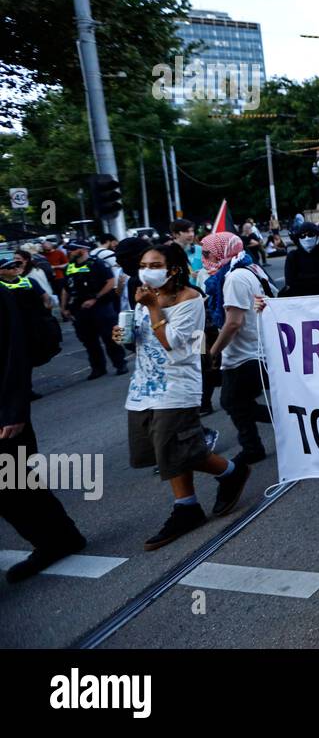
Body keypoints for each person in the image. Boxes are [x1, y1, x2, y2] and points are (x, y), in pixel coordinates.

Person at [113, 243, 250, 549]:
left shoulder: (191, 300)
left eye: (154, 265)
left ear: (173, 269)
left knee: (178, 448)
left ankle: (230, 472)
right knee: (167, 452)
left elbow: (173, 343)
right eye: (143, 265)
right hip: (144, 388)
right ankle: (187, 505)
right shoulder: (143, 297)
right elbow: (141, 341)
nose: (146, 271)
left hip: (177, 387)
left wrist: (152, 307)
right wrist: (124, 337)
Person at [0, 282, 87, 582]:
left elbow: (13, 352)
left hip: (4, 414)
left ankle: (57, 540)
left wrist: (13, 410)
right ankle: (59, 537)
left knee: (13, 484)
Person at [203, 232, 274, 466]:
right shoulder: (250, 268)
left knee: (232, 401)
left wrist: (212, 351)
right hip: (258, 349)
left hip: (245, 354)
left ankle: (260, 441)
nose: (204, 259)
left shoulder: (234, 279)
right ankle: (256, 442)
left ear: (221, 252)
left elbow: (233, 322)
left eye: (207, 253)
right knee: (237, 402)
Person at [60, 238, 127, 379]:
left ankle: (120, 363)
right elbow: (65, 289)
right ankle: (98, 368)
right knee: (89, 341)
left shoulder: (97, 263)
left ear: (83, 249)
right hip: (80, 309)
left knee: (112, 337)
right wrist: (64, 307)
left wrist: (95, 298)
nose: (69, 252)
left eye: (72, 249)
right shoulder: (69, 267)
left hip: (102, 306)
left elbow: (110, 282)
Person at [281, 222, 319, 297]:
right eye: (302, 236)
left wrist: (302, 280)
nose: (307, 238)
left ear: (317, 236)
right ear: (298, 238)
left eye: (310, 234)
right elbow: (290, 282)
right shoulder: (293, 256)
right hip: (300, 300)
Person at [170, 219, 204, 286]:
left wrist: (202, 273)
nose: (191, 234)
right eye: (186, 231)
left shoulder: (200, 249)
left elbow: (211, 269)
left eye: (192, 231)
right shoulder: (168, 253)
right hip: (180, 293)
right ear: (175, 234)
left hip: (201, 292)